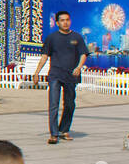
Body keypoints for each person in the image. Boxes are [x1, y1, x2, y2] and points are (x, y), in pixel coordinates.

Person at [31, 11, 88, 145]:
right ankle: (53, 134)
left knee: (69, 104)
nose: (65, 22)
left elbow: (83, 54)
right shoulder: (51, 38)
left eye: (67, 20)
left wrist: (79, 67)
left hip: (71, 76)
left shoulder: (77, 37)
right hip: (55, 75)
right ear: (57, 23)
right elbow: (45, 56)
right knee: (53, 104)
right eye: (62, 20)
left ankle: (64, 130)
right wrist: (37, 72)